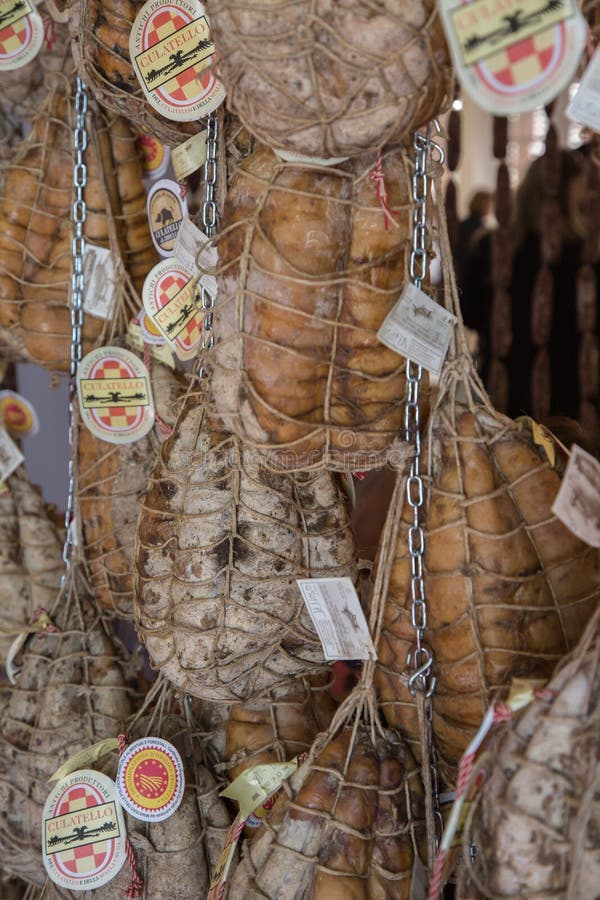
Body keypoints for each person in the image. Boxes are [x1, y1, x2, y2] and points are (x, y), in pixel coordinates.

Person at [461, 146, 600, 424]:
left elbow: (469, 312)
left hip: (505, 385)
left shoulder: (491, 247)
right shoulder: (586, 256)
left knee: (509, 462)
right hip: (571, 391)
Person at [455, 190, 493, 289]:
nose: (490, 207)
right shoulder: (478, 229)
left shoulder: (463, 224)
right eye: (488, 203)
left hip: (463, 273)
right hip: (469, 276)